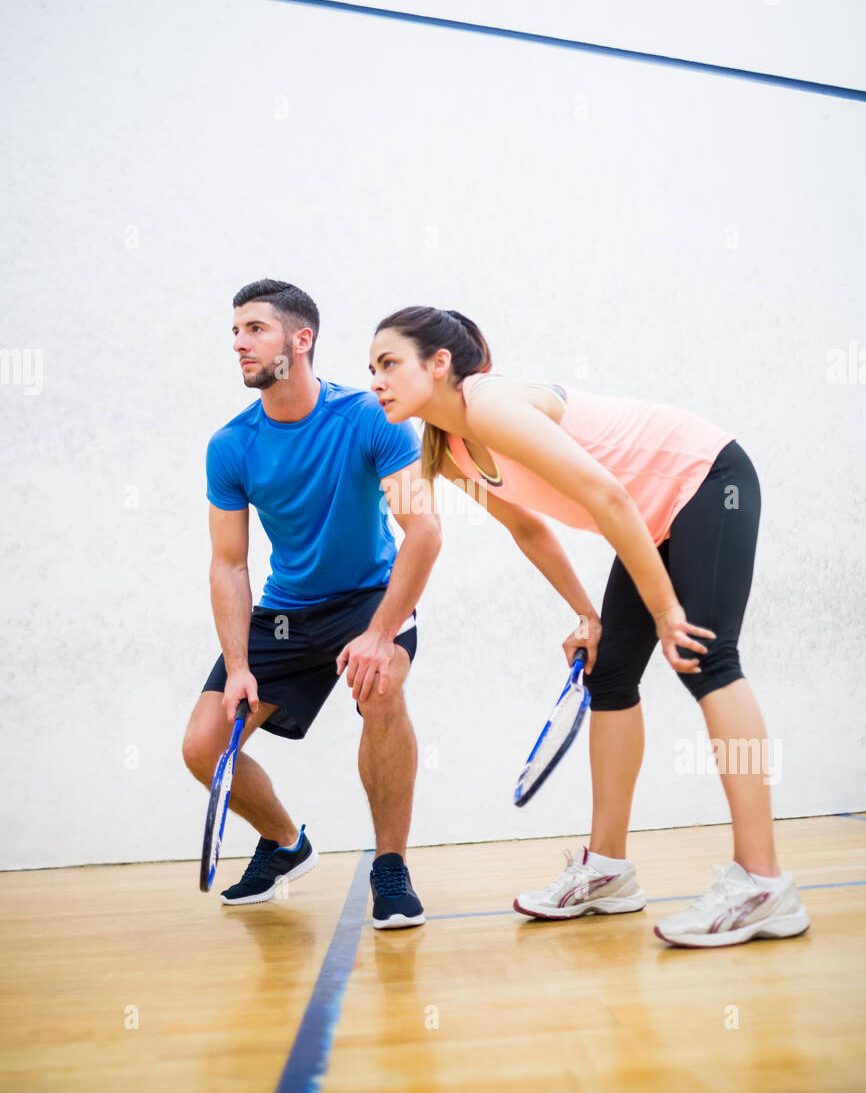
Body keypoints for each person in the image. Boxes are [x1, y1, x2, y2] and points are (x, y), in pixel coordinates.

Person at [367, 305, 810, 948]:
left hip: (707, 478)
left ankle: (763, 884)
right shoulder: (451, 450)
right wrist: (589, 615)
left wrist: (665, 612)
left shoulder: (487, 402)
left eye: (388, 363)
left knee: (706, 659)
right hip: (650, 518)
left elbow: (608, 496)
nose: (375, 380)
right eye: (371, 368)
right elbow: (530, 528)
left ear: (439, 365)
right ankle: (607, 871)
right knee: (611, 677)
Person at [182, 280, 441, 928]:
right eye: (235, 330)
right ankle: (283, 843)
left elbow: (425, 531)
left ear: (302, 340)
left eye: (255, 329)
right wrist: (238, 664)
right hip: (284, 612)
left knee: (381, 691)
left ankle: (390, 865)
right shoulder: (232, 445)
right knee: (204, 744)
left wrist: (381, 634)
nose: (239, 342)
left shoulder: (368, 418)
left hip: (367, 600)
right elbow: (230, 562)